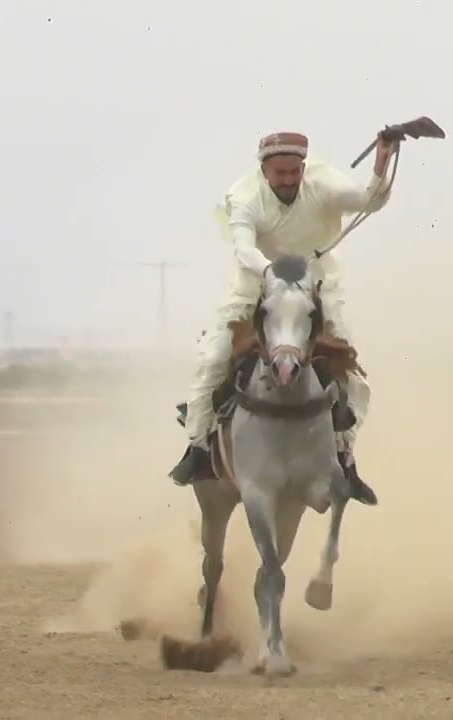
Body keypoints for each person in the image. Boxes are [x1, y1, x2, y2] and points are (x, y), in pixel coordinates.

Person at [167, 130, 400, 506]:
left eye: (295, 171)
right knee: (213, 360)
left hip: (316, 294)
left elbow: (368, 201)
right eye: (281, 173)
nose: (289, 180)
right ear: (264, 171)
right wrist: (274, 274)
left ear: (303, 167)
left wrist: (381, 163)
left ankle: (345, 459)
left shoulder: (323, 182)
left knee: (354, 378)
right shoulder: (243, 196)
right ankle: (197, 448)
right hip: (253, 293)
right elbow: (243, 248)